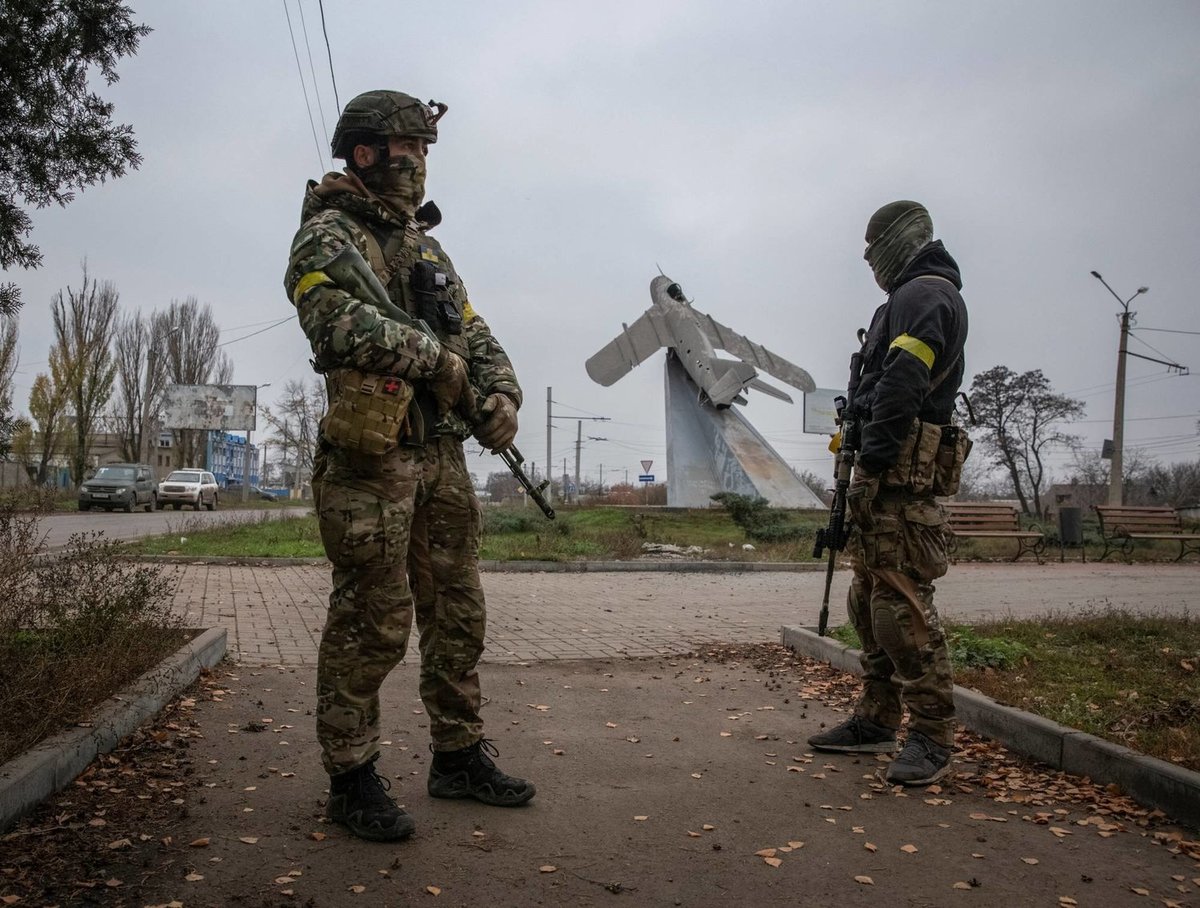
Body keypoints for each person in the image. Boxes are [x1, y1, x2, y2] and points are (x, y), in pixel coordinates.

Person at [284, 89, 535, 842]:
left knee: (458, 612)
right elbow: (334, 320)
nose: (420, 165)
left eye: (426, 151)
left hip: (441, 459)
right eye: (410, 150)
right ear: (365, 153)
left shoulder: (426, 249)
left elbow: (474, 329)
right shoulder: (325, 236)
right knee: (373, 618)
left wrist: (499, 396)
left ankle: (457, 756)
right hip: (372, 463)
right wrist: (439, 363)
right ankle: (352, 776)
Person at [807, 200, 969, 786]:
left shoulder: (925, 295)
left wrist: (873, 458)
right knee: (867, 602)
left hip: (898, 480)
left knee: (901, 608)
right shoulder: (904, 298)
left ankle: (930, 736)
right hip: (881, 477)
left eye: (875, 250)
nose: (870, 261)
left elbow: (904, 382)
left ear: (900, 242)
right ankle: (876, 718)